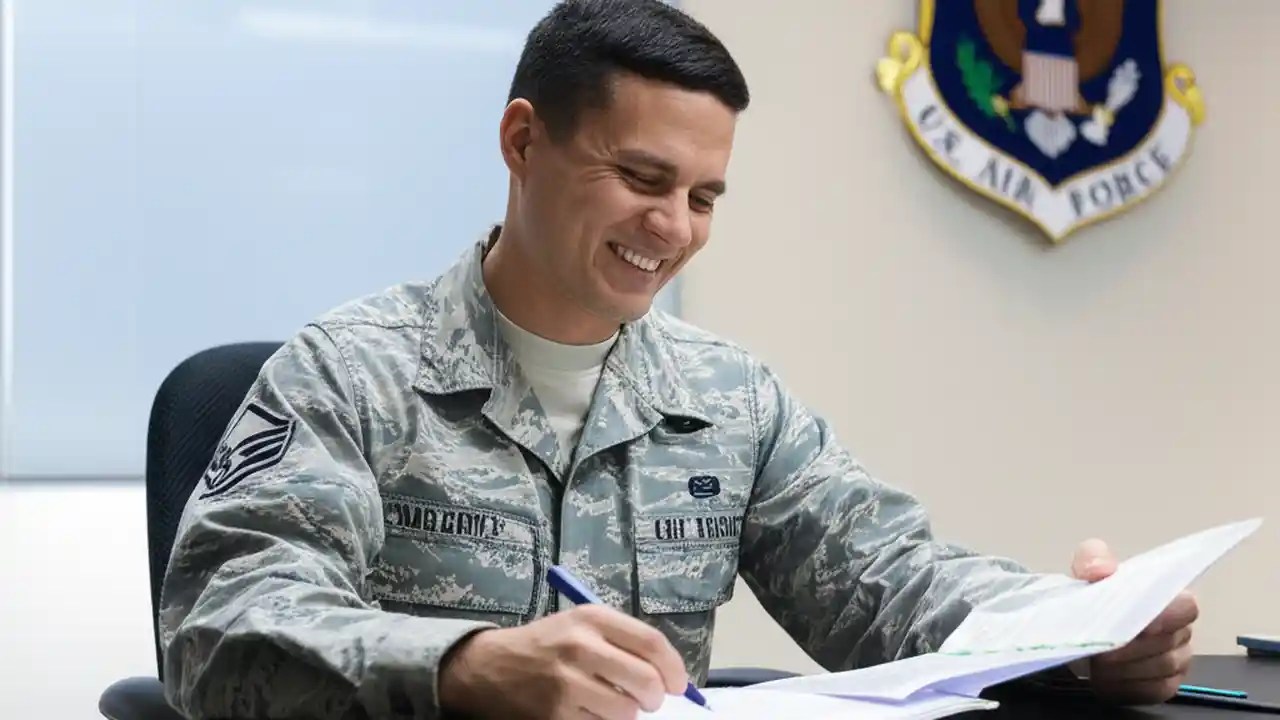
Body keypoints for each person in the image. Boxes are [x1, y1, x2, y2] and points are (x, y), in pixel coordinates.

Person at [158, 1, 1198, 718]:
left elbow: (888, 584)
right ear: (523, 143)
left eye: (702, 197)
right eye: (641, 178)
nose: (671, 227)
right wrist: (465, 669)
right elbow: (222, 632)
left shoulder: (727, 400)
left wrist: (1074, 631)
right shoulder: (352, 374)